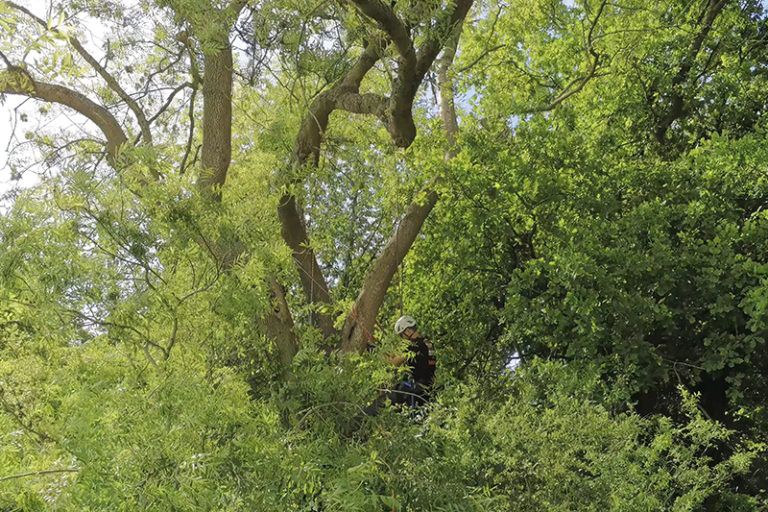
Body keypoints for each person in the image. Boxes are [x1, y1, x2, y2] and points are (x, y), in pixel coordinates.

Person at [389, 315, 437, 407]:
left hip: (417, 388)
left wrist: (374, 351)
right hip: (429, 386)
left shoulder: (413, 346)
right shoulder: (428, 342)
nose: (402, 338)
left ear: (408, 331)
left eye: (402, 335)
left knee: (392, 396)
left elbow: (394, 362)